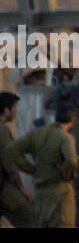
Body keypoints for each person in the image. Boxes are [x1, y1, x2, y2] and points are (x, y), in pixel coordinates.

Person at [16, 104, 78, 228]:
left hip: (39, 192)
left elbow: (13, 151)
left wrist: (31, 170)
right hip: (59, 192)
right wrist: (67, 175)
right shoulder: (65, 138)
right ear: (73, 119)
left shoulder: (38, 135)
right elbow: (71, 160)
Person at [0, 92, 36, 228]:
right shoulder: (2, 130)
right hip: (4, 188)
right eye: (14, 108)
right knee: (30, 218)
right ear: (6, 110)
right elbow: (9, 164)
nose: (16, 112)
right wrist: (22, 188)